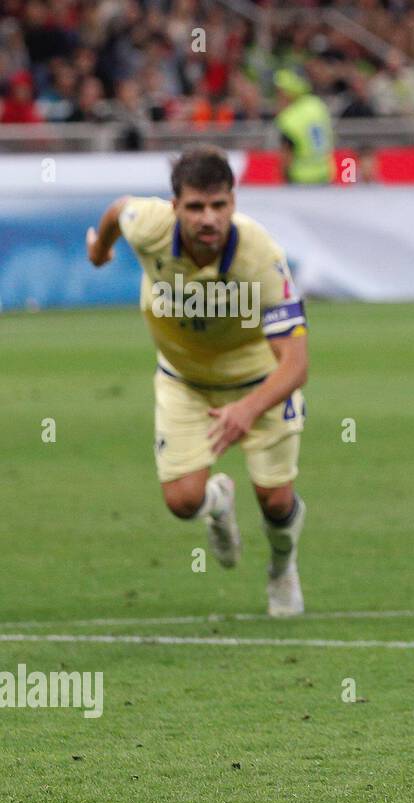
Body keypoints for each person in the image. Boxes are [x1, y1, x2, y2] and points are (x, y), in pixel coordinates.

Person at [85, 146, 309, 617]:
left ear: (233, 202)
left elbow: (295, 364)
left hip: (258, 382)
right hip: (183, 380)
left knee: (275, 499)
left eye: (218, 205)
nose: (208, 218)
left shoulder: (261, 256)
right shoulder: (148, 226)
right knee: (183, 501)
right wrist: (100, 249)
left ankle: (281, 567)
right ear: (174, 207)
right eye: (195, 207)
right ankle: (218, 504)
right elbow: (115, 211)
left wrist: (247, 410)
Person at [274, 69, 334, 184]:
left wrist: (284, 178)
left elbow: (286, 155)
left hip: (301, 178)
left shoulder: (289, 116)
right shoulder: (317, 105)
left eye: (280, 93)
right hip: (325, 173)